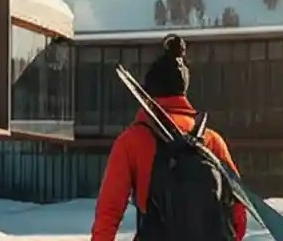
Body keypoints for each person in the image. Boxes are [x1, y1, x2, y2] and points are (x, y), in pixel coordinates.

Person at [90, 34, 248, 241]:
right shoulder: (211, 140)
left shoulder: (133, 140)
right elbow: (238, 209)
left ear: (148, 94)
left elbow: (109, 211)